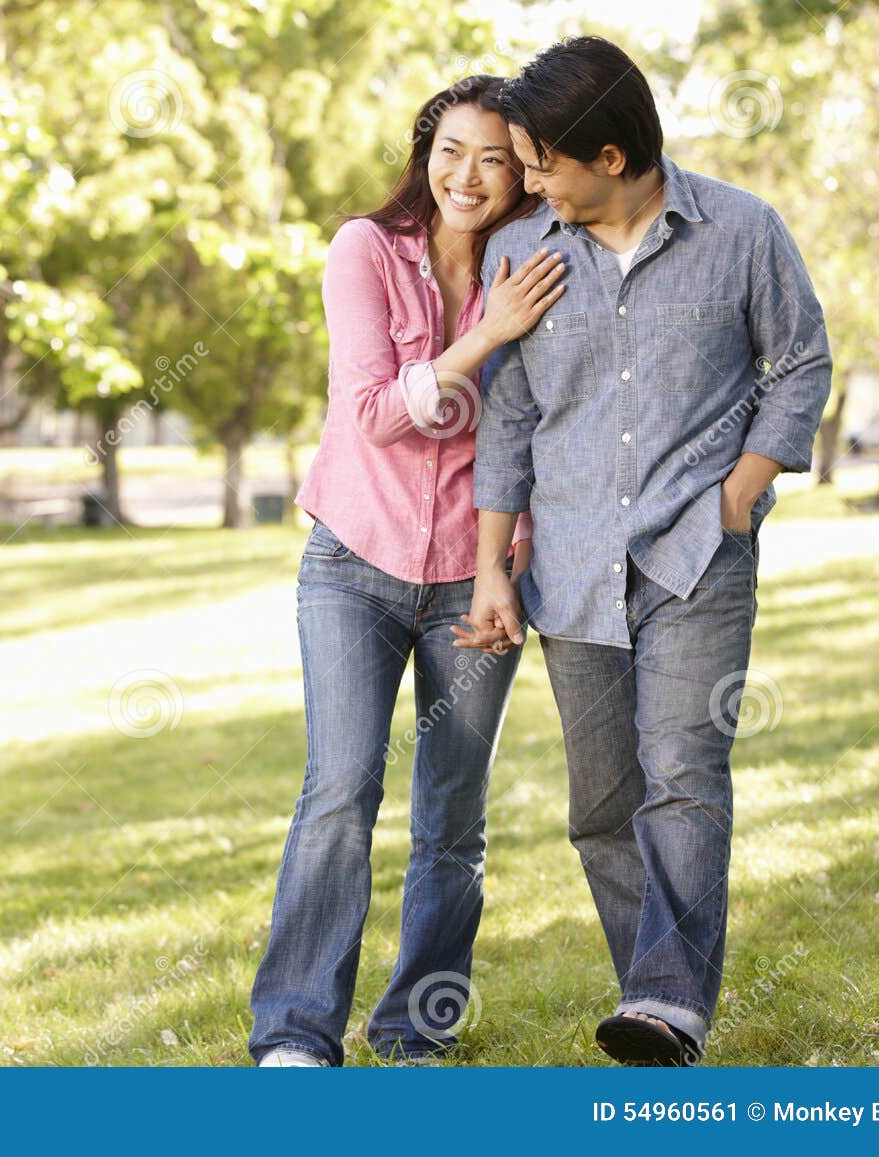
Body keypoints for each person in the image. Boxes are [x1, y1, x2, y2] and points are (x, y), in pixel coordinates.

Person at [458, 36, 832, 1066]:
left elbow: (800, 361)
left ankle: (669, 1001)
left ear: (610, 156)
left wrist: (738, 497)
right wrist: (493, 564)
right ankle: (651, 995)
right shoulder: (520, 257)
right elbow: (509, 416)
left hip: (693, 557)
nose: (526, 182)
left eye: (540, 163)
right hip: (569, 562)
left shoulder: (742, 231)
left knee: (681, 769)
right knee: (603, 803)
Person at [248, 74, 566, 1067]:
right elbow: (376, 413)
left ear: (526, 175)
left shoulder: (546, 264)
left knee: (453, 813)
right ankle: (296, 1032)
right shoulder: (364, 251)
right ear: (424, 151)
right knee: (340, 787)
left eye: (495, 159)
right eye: (450, 149)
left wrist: (508, 565)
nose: (467, 175)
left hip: (477, 573)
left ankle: (414, 1027)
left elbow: (550, 433)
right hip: (355, 560)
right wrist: (487, 333)